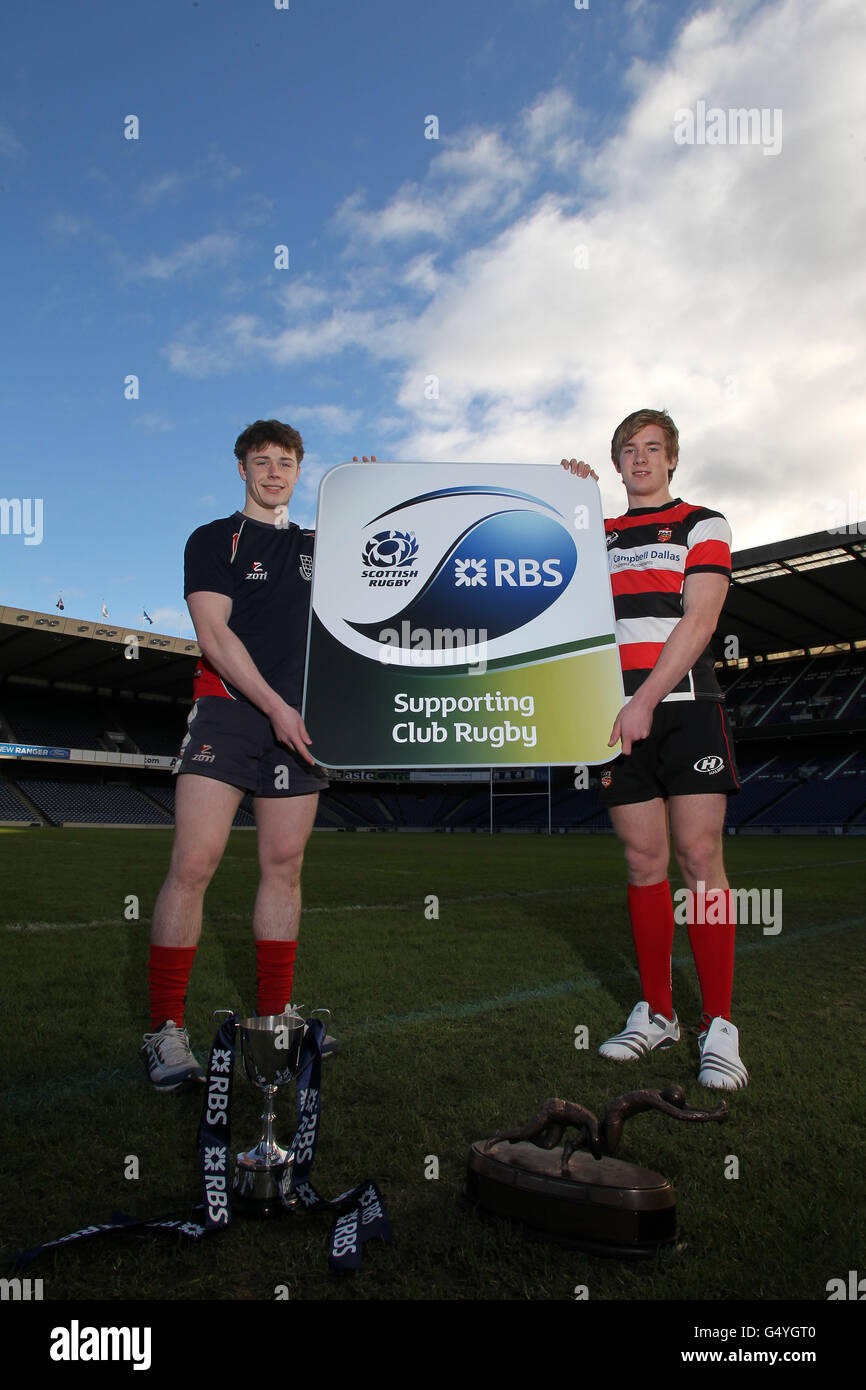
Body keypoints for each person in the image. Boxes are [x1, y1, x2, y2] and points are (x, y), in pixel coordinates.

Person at [141, 419, 331, 1090]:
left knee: (284, 865)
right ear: (242, 470)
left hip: (298, 723)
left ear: (299, 472)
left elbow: (389, 574)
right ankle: (165, 1029)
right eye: (261, 461)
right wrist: (274, 707)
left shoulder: (318, 545)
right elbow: (214, 635)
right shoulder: (213, 538)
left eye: (285, 462)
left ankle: (275, 1018)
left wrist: (369, 491)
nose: (274, 472)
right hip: (231, 711)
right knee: (194, 863)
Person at [562, 408, 746, 1089]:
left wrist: (644, 699)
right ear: (616, 466)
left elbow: (701, 618)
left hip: (684, 708)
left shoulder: (703, 522)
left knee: (700, 858)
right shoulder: (600, 533)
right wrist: (566, 499)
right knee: (644, 861)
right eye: (628, 451)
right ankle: (659, 1013)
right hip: (612, 715)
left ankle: (719, 1025)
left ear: (672, 460)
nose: (641, 459)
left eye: (653, 449)